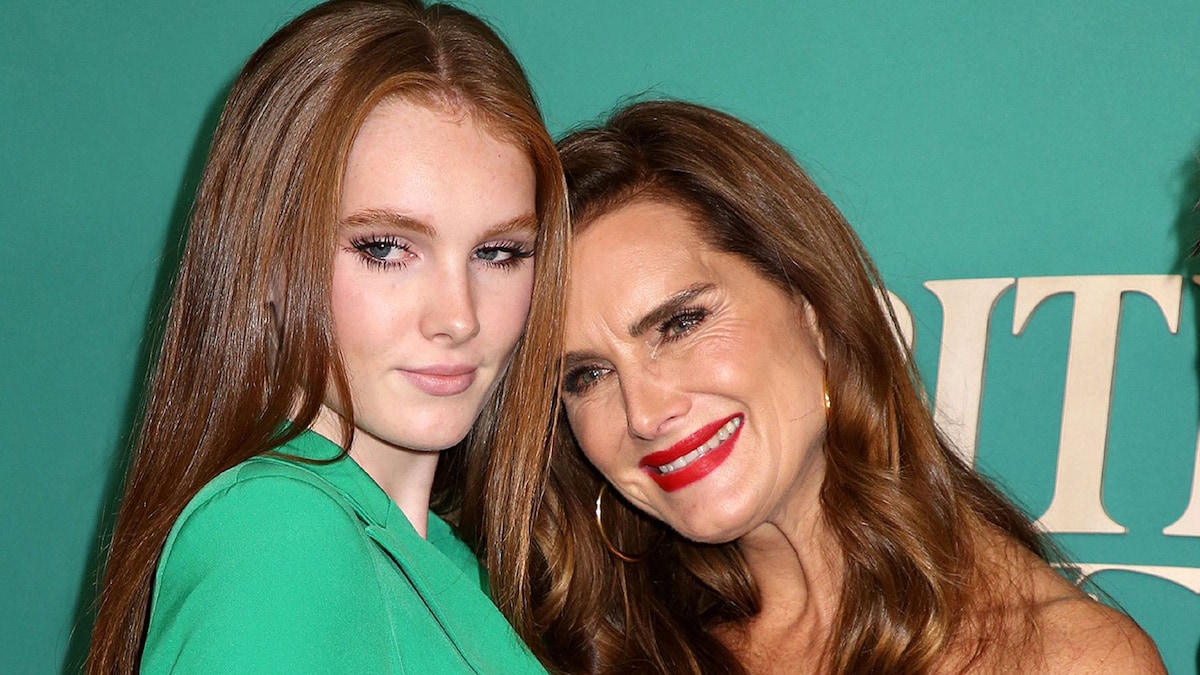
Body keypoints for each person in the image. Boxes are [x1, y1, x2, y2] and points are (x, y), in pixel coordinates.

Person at [485, 101, 1165, 673]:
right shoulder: (575, 648)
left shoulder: (1065, 658)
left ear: (813, 308)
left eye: (680, 323)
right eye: (587, 375)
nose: (644, 411)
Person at [85, 1, 565, 672]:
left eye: (498, 253)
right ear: (267, 260)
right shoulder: (276, 536)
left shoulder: (447, 564)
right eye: (385, 248)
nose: (459, 317)